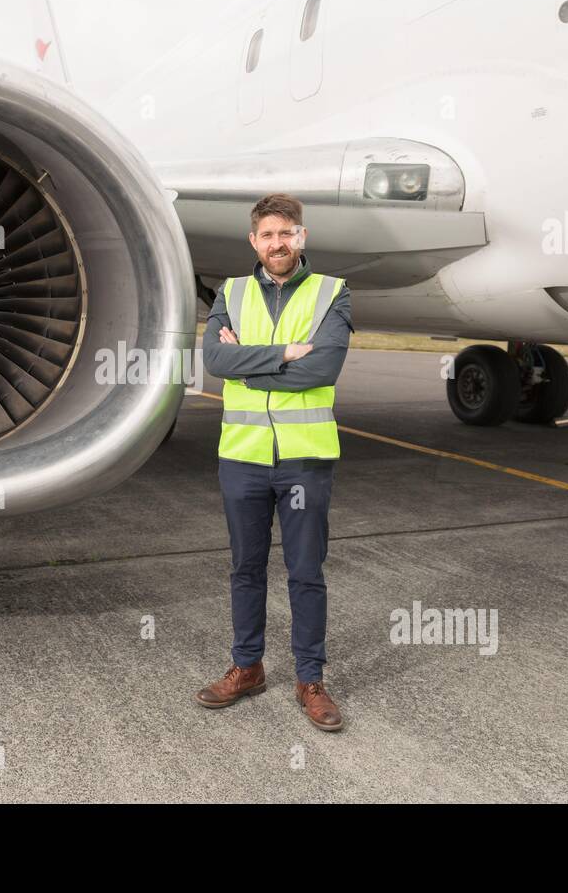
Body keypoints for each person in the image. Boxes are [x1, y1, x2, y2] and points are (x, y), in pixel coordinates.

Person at [196, 192, 353, 732]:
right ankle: (247, 668)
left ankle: (310, 679)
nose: (277, 243)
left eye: (286, 233)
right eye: (268, 235)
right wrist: (285, 353)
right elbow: (214, 360)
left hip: (304, 461)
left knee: (306, 572)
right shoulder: (231, 292)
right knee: (245, 568)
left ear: (301, 237)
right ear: (254, 241)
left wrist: (246, 364)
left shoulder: (333, 292)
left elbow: (322, 371)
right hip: (242, 459)